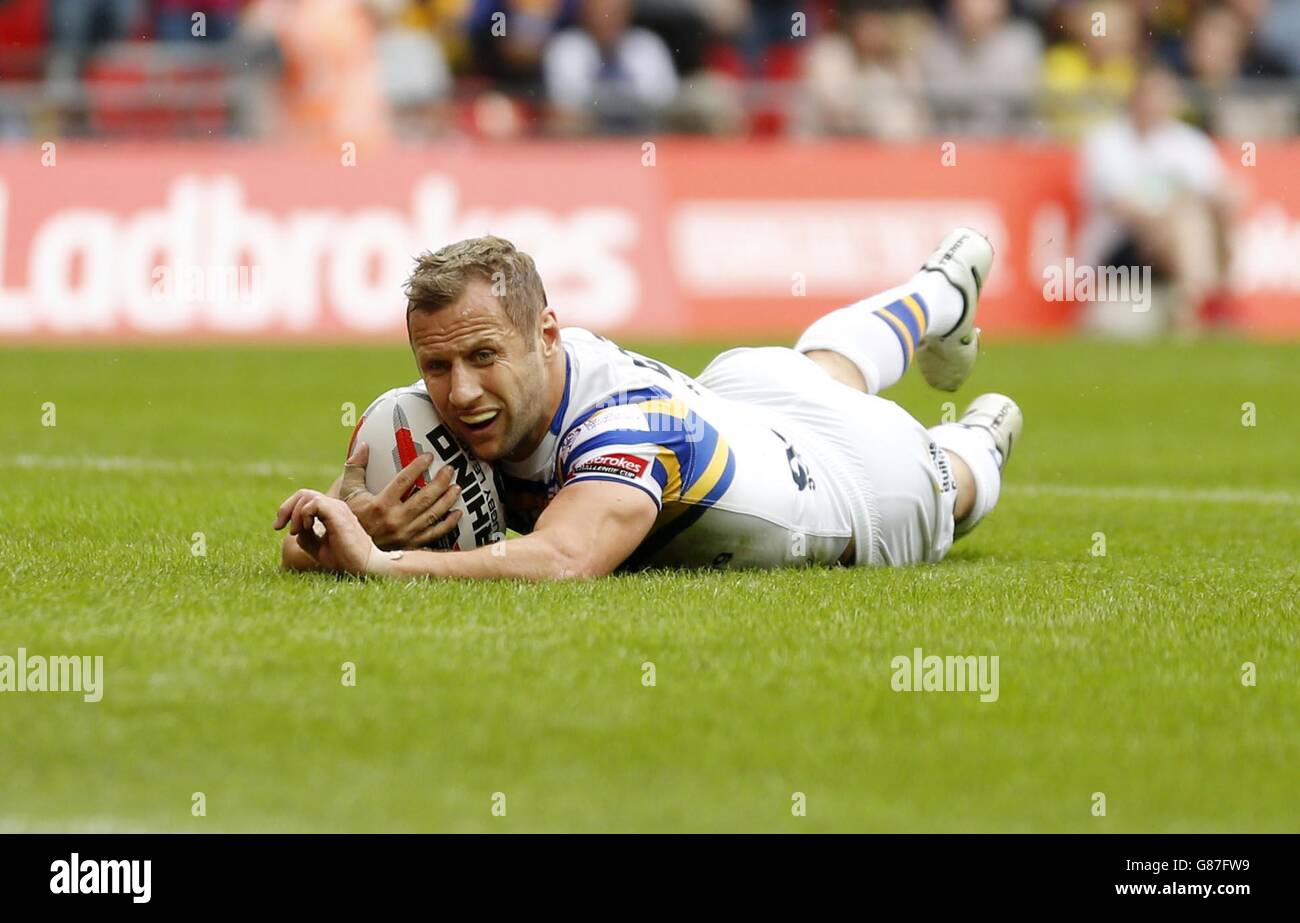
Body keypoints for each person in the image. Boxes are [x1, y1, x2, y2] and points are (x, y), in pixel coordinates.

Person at [274, 230, 1023, 579]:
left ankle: (985, 433)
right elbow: (311, 538)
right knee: (817, 371)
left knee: (944, 480)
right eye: (435, 365)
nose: (460, 390)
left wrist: (381, 563)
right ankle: (941, 290)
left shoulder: (620, 423)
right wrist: (356, 524)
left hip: (861, 489)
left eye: (481, 357)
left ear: (545, 336)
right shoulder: (453, 408)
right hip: (737, 393)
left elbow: (567, 559)